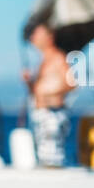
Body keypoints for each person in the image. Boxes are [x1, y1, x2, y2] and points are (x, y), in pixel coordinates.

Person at [22, 22, 76, 166]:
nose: (33, 37)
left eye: (37, 34)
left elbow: (71, 83)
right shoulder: (43, 61)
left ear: (49, 37)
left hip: (52, 114)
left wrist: (50, 97)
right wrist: (29, 82)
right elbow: (36, 91)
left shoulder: (58, 58)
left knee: (51, 158)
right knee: (43, 156)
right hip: (41, 115)